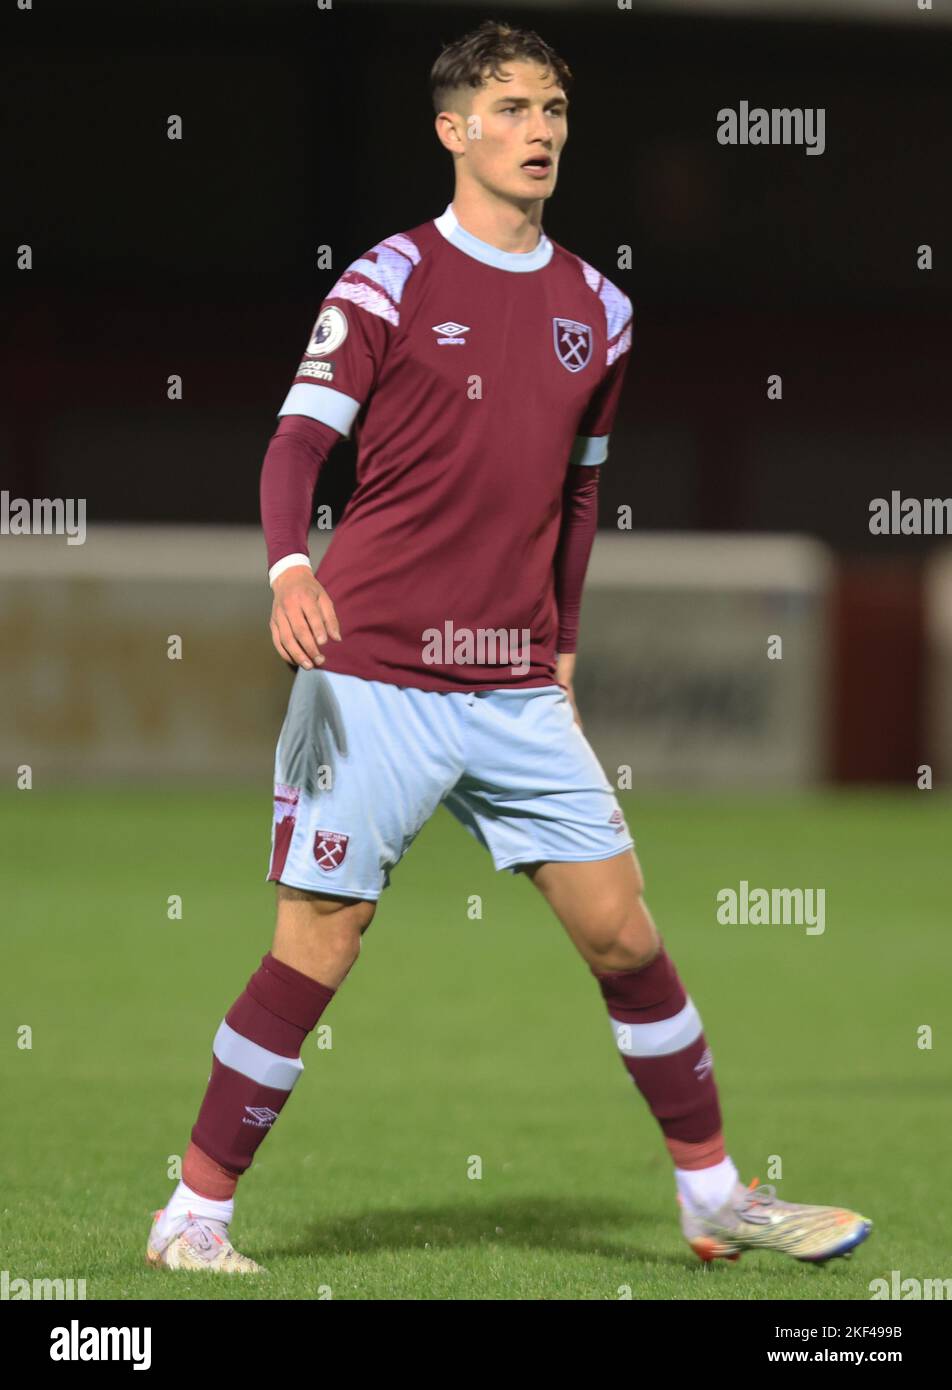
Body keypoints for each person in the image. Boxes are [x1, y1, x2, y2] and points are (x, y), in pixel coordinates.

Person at [147, 19, 871, 1275]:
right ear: (453, 130)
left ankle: (710, 1198)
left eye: (553, 110)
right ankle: (192, 1215)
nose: (539, 130)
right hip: (368, 670)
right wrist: (289, 565)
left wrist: (566, 645)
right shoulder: (387, 280)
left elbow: (579, 498)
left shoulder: (601, 307)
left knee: (624, 934)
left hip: (514, 686)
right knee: (317, 943)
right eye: (514, 108)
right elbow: (294, 447)